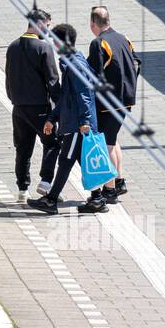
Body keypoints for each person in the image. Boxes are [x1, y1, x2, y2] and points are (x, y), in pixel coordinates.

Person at [26, 23, 106, 214]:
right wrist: (52, 117)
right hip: (75, 121)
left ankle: (51, 201)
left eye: (54, 40)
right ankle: (97, 199)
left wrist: (85, 121)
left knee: (66, 159)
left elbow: (84, 93)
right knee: (79, 158)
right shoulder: (71, 60)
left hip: (77, 124)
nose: (53, 44)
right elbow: (67, 95)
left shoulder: (75, 64)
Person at [86, 5, 141, 204]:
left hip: (107, 103)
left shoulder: (98, 43)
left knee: (105, 144)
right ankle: (118, 181)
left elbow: (94, 74)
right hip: (126, 99)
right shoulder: (124, 38)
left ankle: (109, 190)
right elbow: (136, 63)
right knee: (113, 139)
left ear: (93, 23)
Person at [5, 9, 60, 199]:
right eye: (48, 25)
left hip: (18, 108)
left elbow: (8, 78)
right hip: (39, 108)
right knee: (52, 143)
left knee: (23, 148)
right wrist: (59, 105)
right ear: (40, 24)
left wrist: (14, 99)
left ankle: (22, 189)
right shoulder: (43, 48)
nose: (48, 30)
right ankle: (46, 183)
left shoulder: (12, 46)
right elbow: (52, 80)